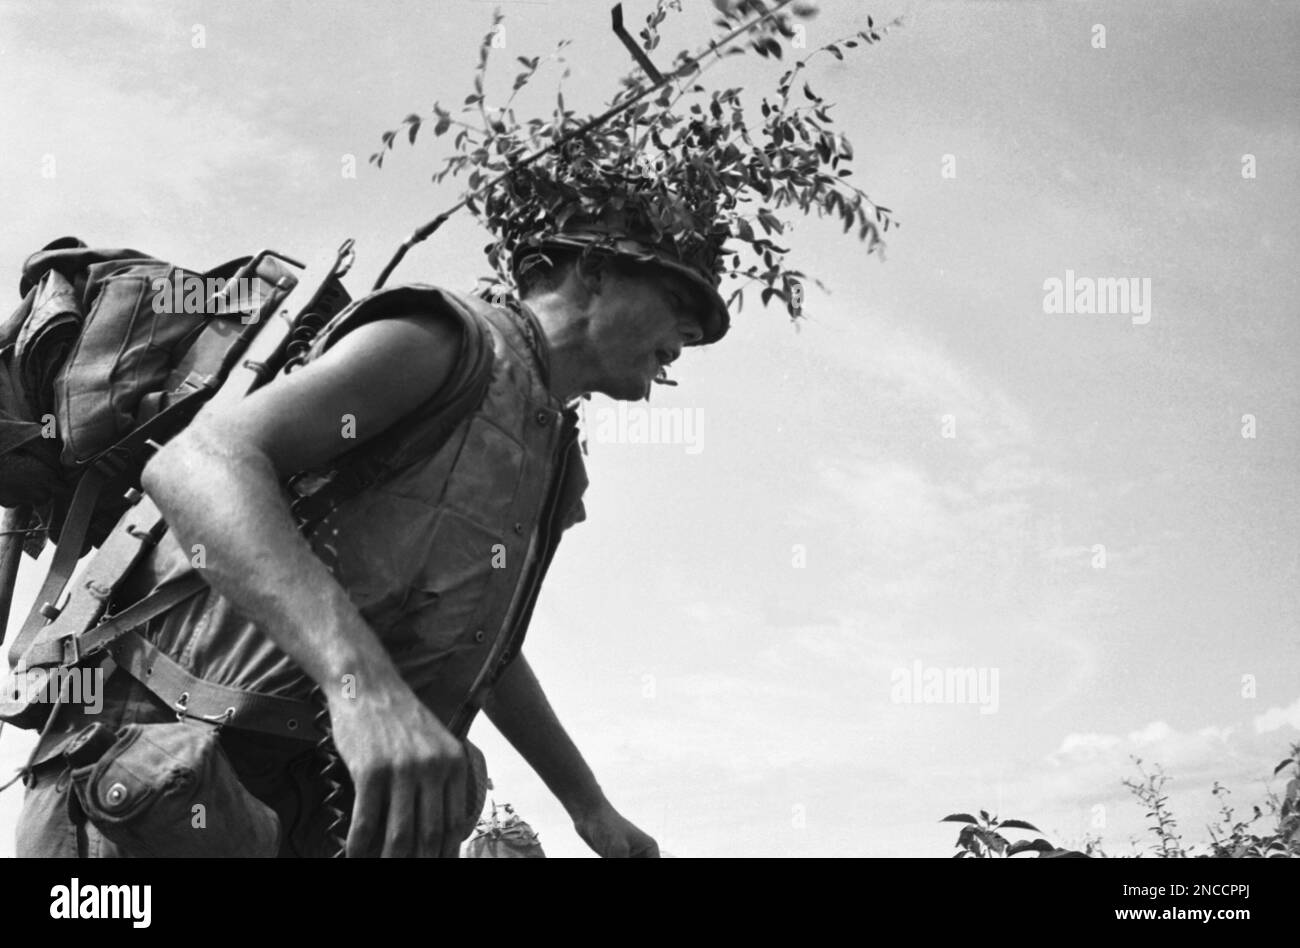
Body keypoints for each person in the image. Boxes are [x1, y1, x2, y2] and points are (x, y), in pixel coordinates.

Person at [12, 223, 730, 859]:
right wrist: (363, 688)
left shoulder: (549, 451)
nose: (690, 335)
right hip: (164, 771)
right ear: (595, 270)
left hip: (309, 813)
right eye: (680, 300)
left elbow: (483, 647)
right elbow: (197, 464)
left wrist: (589, 808)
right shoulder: (446, 342)